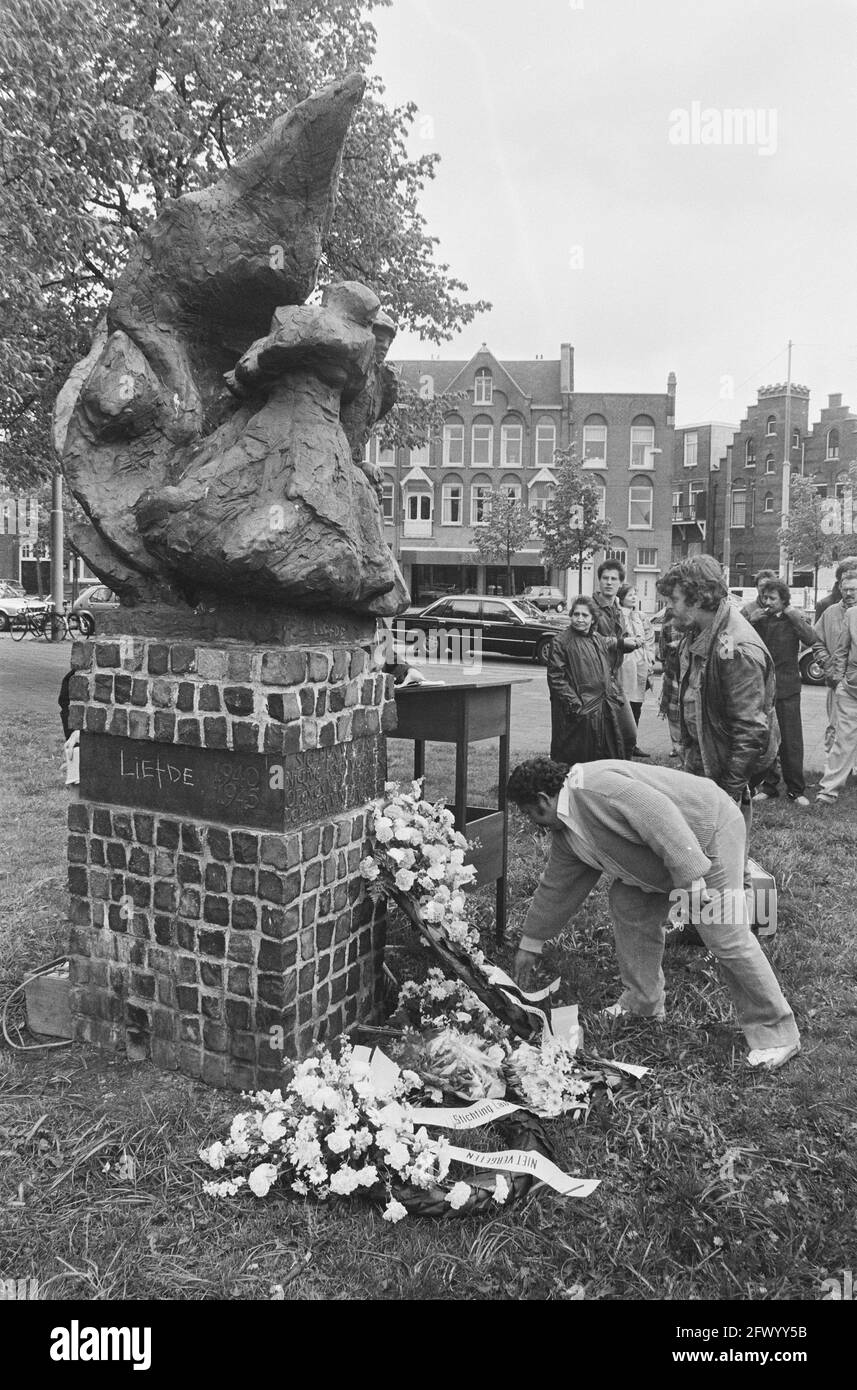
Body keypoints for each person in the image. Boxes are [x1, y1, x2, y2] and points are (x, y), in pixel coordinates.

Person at [508, 758, 800, 1071]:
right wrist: (531, 941)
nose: (530, 822)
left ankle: (777, 1033)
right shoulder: (567, 828)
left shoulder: (594, 788)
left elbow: (659, 815)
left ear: (543, 800)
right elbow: (558, 886)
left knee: (724, 934)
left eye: (528, 812)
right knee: (628, 904)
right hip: (669, 855)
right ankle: (643, 1003)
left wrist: (690, 879)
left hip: (708, 833)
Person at [656, 556, 779, 851]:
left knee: (725, 857)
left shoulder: (737, 649)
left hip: (725, 773)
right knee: (703, 854)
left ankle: (733, 892)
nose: (669, 607)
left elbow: (750, 730)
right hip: (706, 763)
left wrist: (729, 792)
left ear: (698, 598)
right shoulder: (698, 632)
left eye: (674, 599)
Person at [750, 580, 821, 806]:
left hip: (788, 688)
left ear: (784, 601)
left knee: (791, 740)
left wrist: (793, 616)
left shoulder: (793, 620)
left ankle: (796, 789)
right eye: (765, 597)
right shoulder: (758, 620)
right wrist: (751, 621)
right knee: (765, 739)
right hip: (762, 688)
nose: (767, 602)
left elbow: (811, 639)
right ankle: (768, 786)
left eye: (772, 598)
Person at [547, 596, 639, 764]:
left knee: (605, 757)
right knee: (577, 760)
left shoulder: (596, 638)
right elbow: (556, 680)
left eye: (585, 615)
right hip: (578, 714)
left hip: (604, 709)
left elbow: (606, 662)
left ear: (593, 618)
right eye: (576, 614)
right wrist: (577, 707)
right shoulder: (560, 642)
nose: (579, 619)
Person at [590, 559, 640, 756]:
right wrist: (620, 644)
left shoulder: (618, 609)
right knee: (597, 738)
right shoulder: (590, 608)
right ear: (599, 581)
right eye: (605, 578)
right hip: (593, 681)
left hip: (614, 680)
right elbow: (590, 640)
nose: (609, 582)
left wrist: (630, 643)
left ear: (620, 583)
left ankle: (621, 774)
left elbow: (621, 638)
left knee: (628, 735)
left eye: (613, 579)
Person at [816, 577, 857, 804]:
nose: (850, 593)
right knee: (843, 741)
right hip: (851, 688)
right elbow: (841, 650)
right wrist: (840, 680)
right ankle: (828, 791)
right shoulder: (850, 616)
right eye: (847, 589)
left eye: (855, 589)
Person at [617, 582, 655, 729]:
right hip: (626, 663)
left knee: (637, 704)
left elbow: (649, 637)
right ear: (621, 598)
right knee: (625, 703)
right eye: (630, 595)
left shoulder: (641, 616)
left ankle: (632, 742)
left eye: (634, 594)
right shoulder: (618, 616)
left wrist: (649, 658)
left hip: (641, 663)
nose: (634, 598)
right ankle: (622, 742)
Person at [657, 607, 684, 758]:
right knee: (673, 710)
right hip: (672, 669)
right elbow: (662, 641)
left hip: (689, 669)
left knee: (687, 709)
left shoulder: (693, 616)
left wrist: (680, 644)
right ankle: (676, 745)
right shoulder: (669, 617)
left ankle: (687, 745)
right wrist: (664, 663)